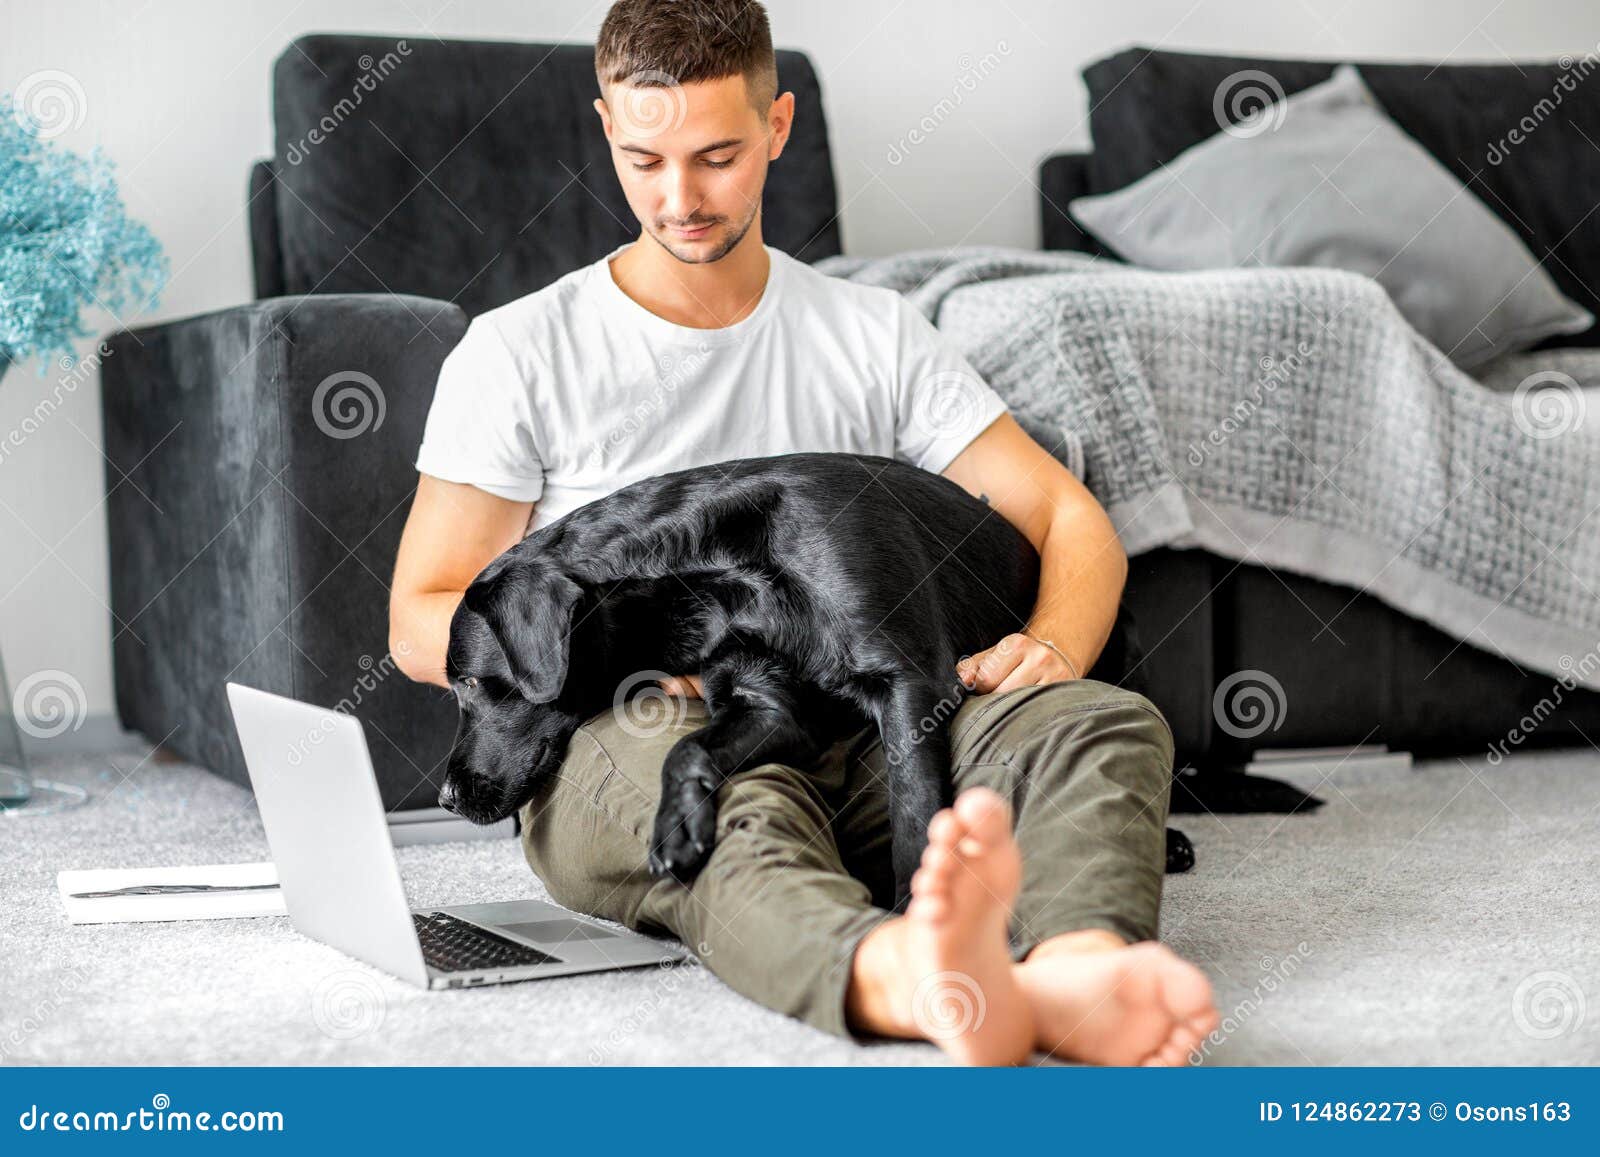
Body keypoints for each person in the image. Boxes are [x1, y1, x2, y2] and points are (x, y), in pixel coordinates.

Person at [389, 0, 1219, 1065]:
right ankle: (912, 981)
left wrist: (1049, 649)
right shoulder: (516, 353)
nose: (678, 197)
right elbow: (423, 621)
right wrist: (634, 663)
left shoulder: (870, 334)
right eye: (644, 158)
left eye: (717, 155)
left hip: (878, 730)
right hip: (650, 735)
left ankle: (1077, 969)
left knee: (1100, 722)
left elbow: (1066, 515)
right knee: (730, 799)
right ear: (604, 127)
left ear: (778, 128)